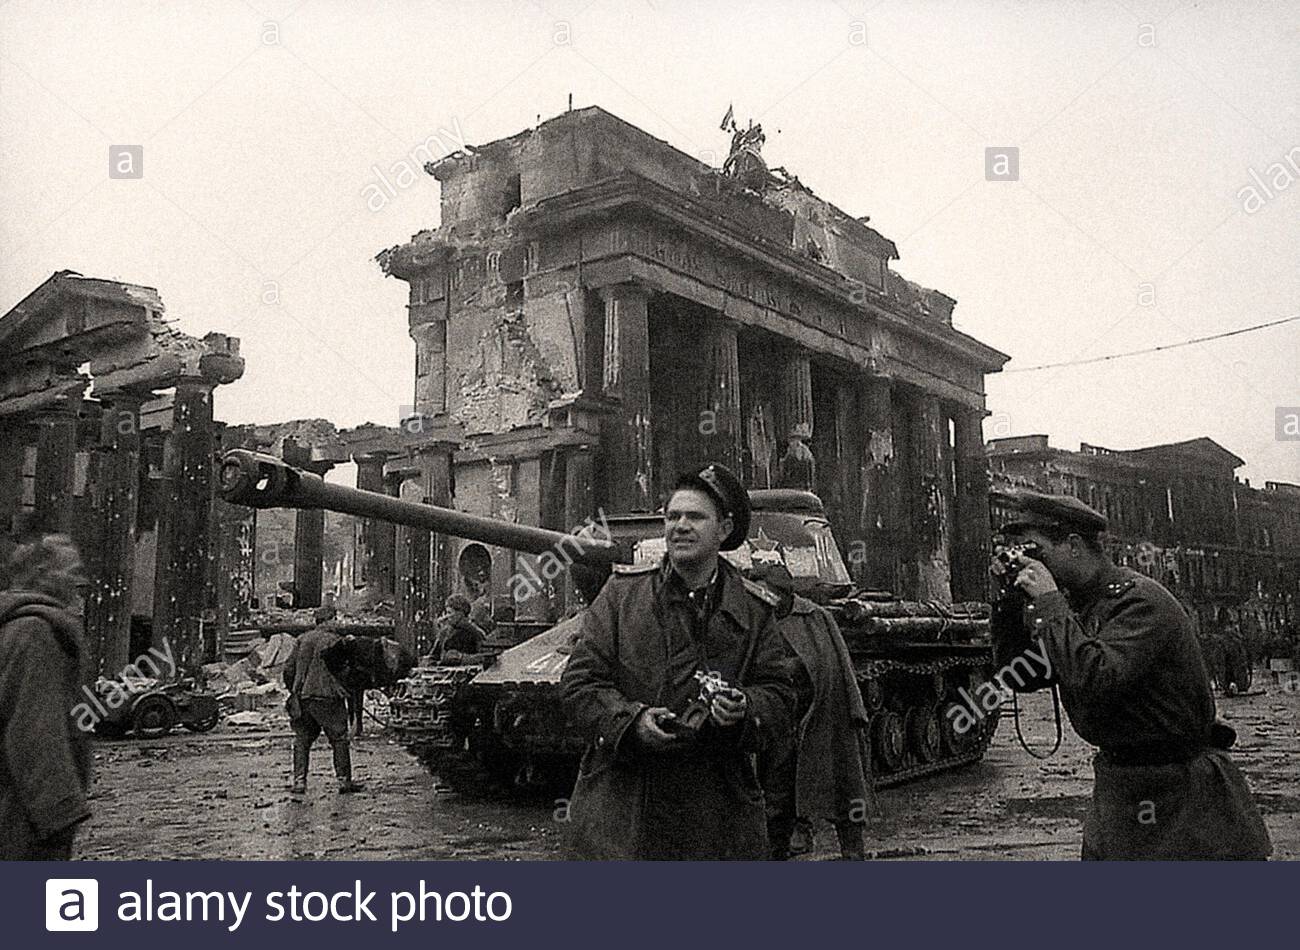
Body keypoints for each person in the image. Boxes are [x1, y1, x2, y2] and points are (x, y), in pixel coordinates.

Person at [992, 489, 1271, 860]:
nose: (1032, 564)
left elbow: (1094, 678)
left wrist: (1048, 602)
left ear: (1074, 545)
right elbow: (1022, 676)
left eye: (1037, 551)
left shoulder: (1138, 602)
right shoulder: (1081, 607)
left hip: (1184, 795)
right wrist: (1009, 604)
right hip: (1121, 788)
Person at [560, 463, 798, 860]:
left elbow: (782, 694)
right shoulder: (622, 595)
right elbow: (580, 683)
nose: (680, 526)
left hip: (717, 811)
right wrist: (631, 721)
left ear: (723, 530)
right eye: (673, 516)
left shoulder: (754, 611)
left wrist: (744, 708)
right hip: (625, 807)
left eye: (695, 517)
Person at [753, 563, 873, 861]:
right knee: (776, 799)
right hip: (777, 723)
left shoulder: (815, 617)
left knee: (844, 788)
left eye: (772, 595)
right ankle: (779, 851)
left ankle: (853, 852)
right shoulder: (755, 620)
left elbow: (840, 664)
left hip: (821, 717)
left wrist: (855, 709)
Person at [0, 534, 93, 860]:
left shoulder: (14, 626)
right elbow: (34, 731)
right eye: (71, 570)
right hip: (26, 816)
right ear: (43, 574)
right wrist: (59, 813)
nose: (79, 580)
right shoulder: (34, 634)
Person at [283, 605, 363, 794]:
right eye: (334, 618)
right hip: (329, 698)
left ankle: (299, 781)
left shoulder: (302, 639)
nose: (337, 622)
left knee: (302, 739)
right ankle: (344, 781)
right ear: (327, 620)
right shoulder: (336, 641)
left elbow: (288, 668)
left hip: (303, 698)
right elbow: (347, 672)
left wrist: (294, 690)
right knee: (339, 739)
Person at [432, 593, 487, 660]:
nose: (446, 617)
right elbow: (434, 655)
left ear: (460, 613)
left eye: (449, 613)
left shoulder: (475, 633)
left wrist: (461, 657)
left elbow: (484, 657)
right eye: (446, 613)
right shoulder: (444, 633)